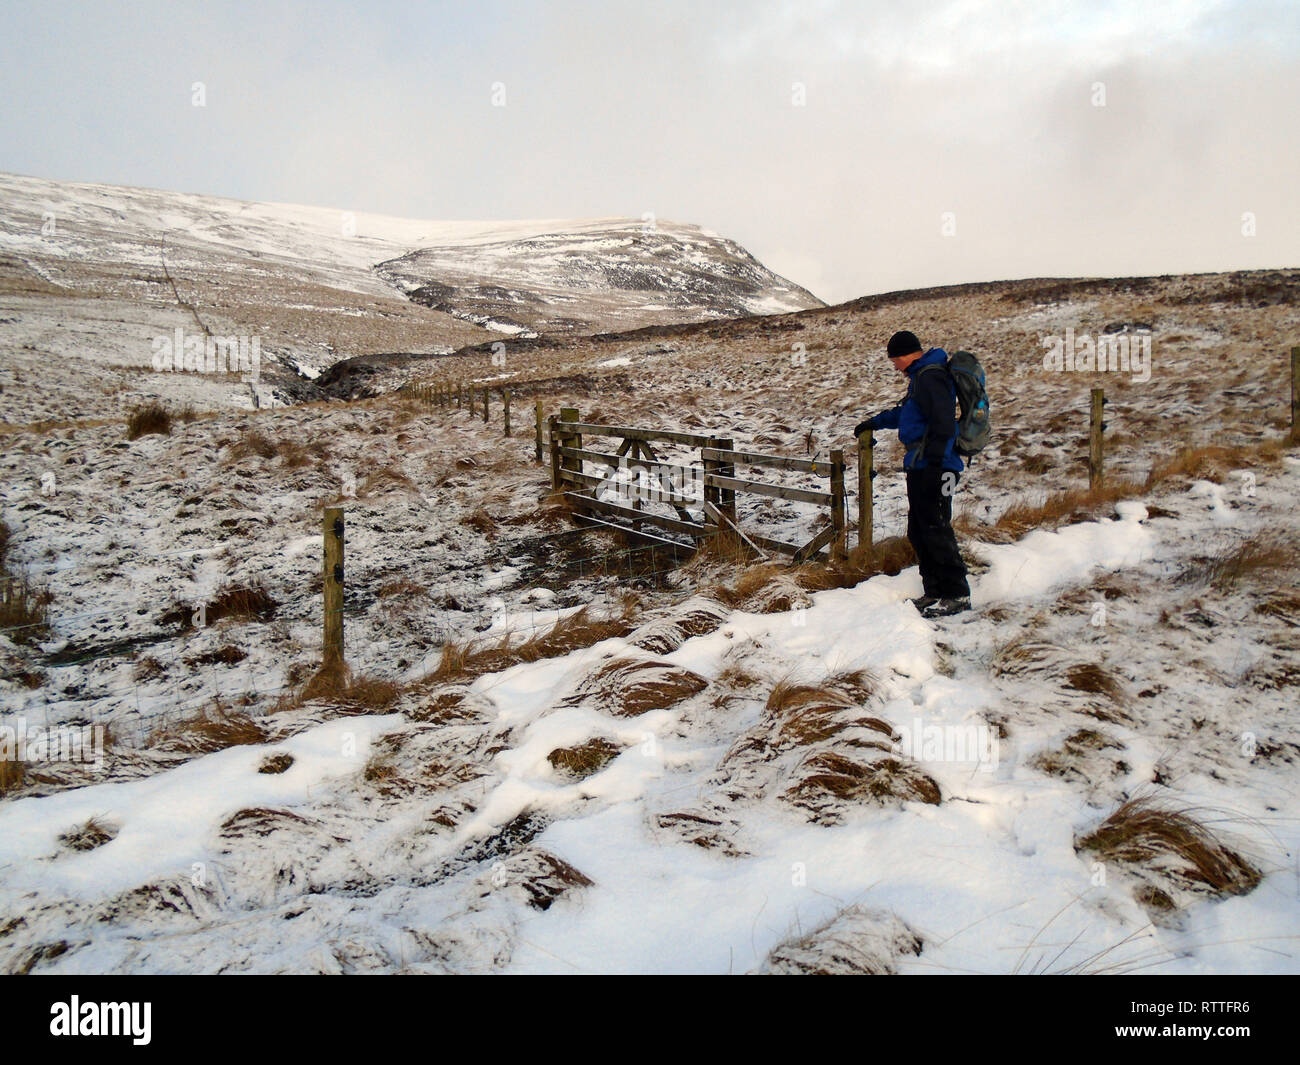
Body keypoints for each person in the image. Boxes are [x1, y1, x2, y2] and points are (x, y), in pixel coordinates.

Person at [855, 330, 971, 618]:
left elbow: (943, 423)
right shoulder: (921, 378)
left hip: (937, 466)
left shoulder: (931, 377)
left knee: (937, 527)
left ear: (905, 354)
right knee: (920, 530)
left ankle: (957, 594)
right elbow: (905, 414)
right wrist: (873, 422)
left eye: (893, 359)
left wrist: (934, 463)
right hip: (922, 465)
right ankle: (934, 590)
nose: (893, 365)